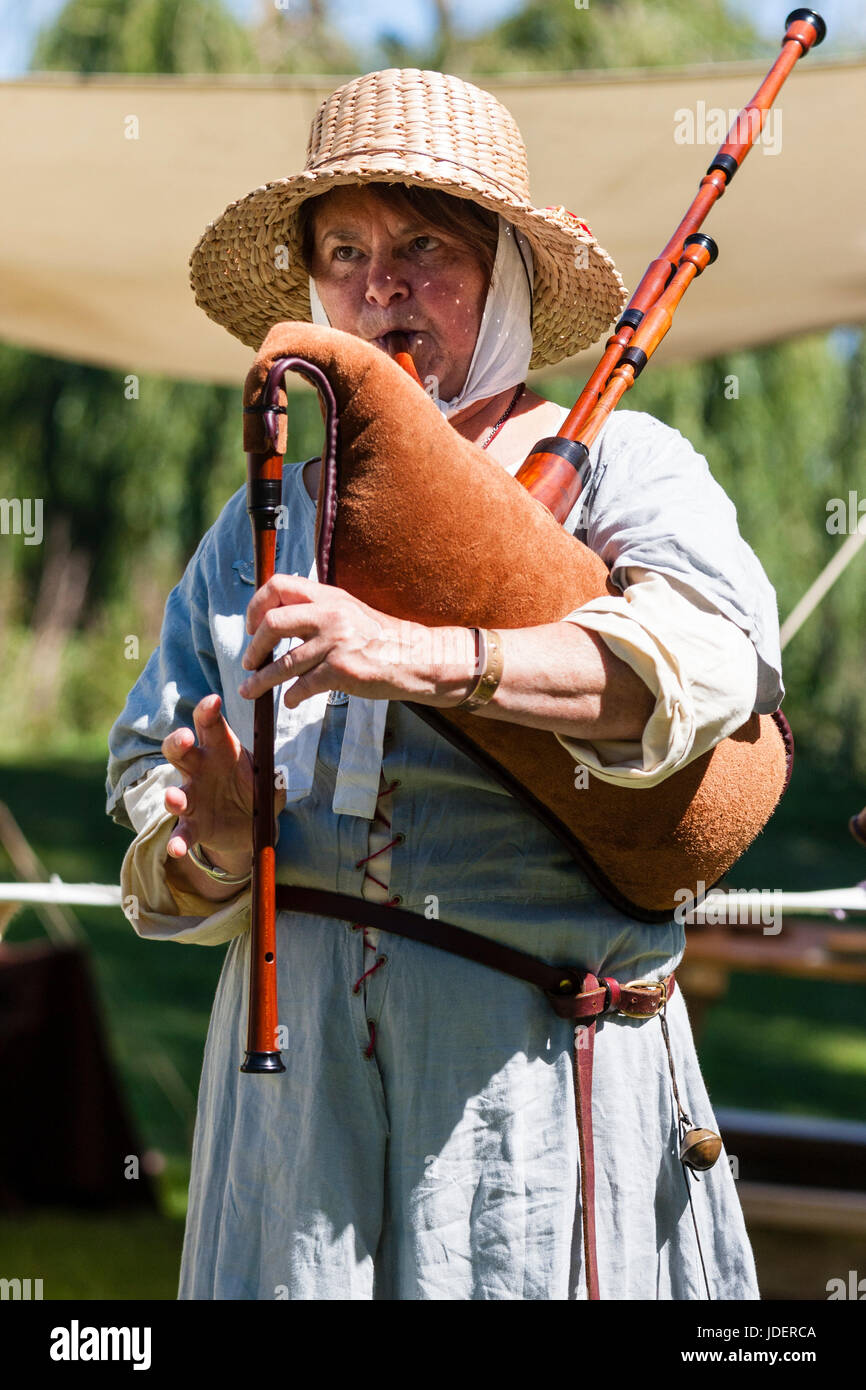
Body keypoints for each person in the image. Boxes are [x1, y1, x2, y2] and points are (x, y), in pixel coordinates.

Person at [106, 68, 784, 1300]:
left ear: (502, 275)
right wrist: (208, 842)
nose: (381, 285)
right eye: (345, 250)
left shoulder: (623, 465)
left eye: (425, 243)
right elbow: (149, 789)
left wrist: (423, 650)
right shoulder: (259, 518)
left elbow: (711, 671)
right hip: (290, 1106)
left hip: (526, 1096)